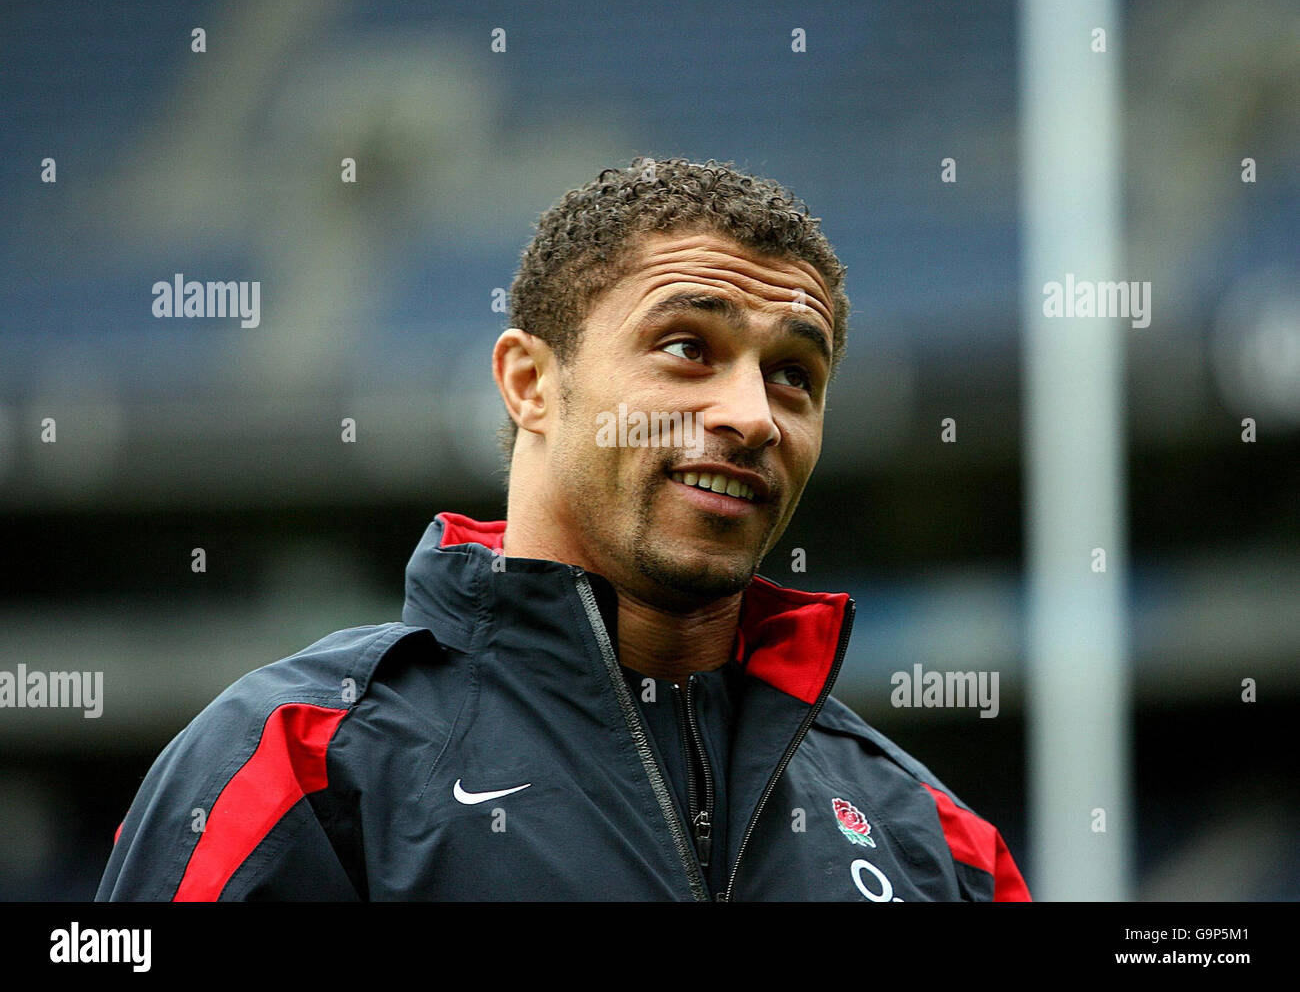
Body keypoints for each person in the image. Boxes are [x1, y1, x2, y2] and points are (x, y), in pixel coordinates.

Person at [97, 157, 1030, 902]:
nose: (752, 415)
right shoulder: (296, 765)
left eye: (794, 374)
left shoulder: (938, 844)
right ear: (530, 383)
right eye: (686, 347)